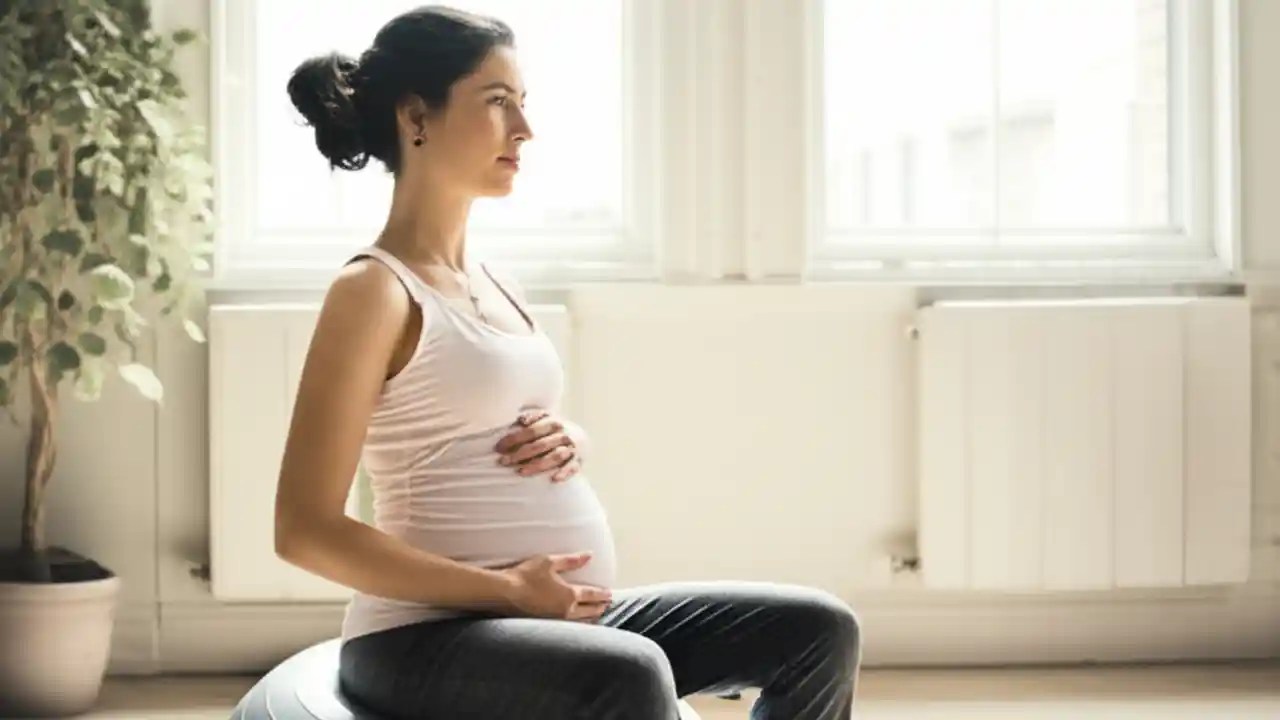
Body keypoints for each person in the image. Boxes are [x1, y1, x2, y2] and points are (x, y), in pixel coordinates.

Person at [276, 5, 861, 718]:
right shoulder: (373, 290)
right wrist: (509, 591)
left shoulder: (498, 284)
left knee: (818, 629)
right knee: (632, 670)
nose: (524, 130)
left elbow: (484, 428)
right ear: (415, 116)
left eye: (523, 105)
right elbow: (304, 529)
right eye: (497, 104)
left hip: (560, 620)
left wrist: (571, 438)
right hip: (422, 640)